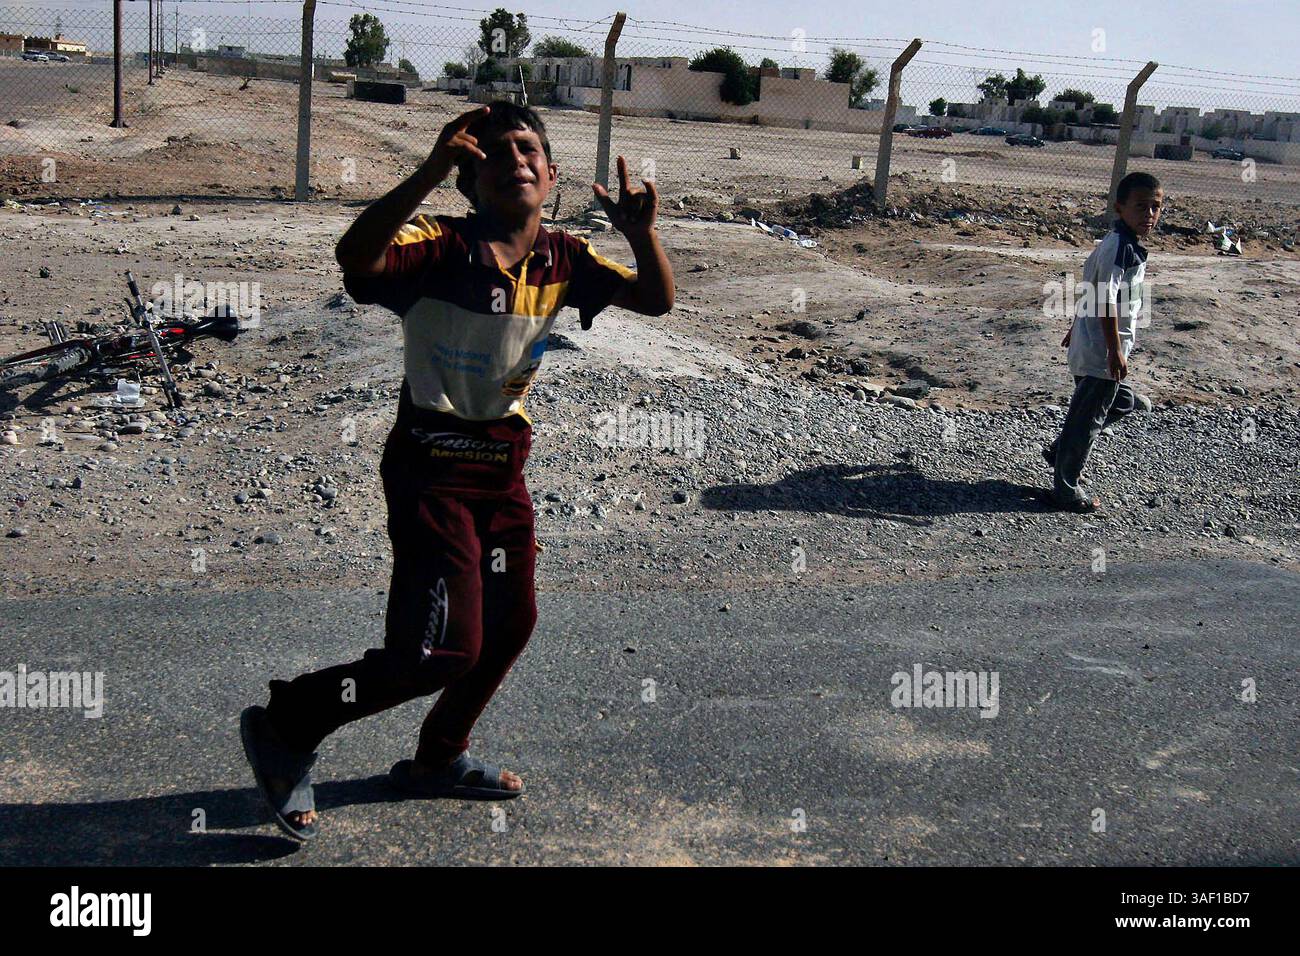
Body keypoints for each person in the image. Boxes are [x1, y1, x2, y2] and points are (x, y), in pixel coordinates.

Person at [240, 102, 674, 841]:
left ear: (553, 173)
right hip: (430, 471)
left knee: (510, 623)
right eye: (495, 154)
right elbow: (356, 257)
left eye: (530, 149)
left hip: (502, 471)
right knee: (440, 651)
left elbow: (657, 300)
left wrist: (640, 232)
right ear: (468, 183)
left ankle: (439, 758)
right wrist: (428, 170)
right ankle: (291, 721)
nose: (516, 161)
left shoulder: (562, 259)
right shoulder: (435, 245)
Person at [1043, 171, 1161, 513]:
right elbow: (1106, 300)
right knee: (1087, 421)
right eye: (1141, 207)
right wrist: (1113, 350)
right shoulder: (1117, 248)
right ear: (1120, 207)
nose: (1149, 215)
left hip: (1096, 343)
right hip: (1101, 351)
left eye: (1155, 207)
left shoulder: (1123, 245)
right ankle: (1066, 489)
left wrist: (1075, 327)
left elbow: (1092, 290)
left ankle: (1061, 450)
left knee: (1122, 402)